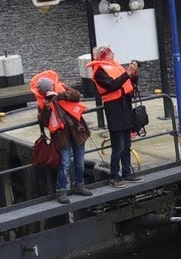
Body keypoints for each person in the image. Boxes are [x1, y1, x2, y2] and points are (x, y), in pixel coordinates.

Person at [32, 71, 92, 204]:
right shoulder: (42, 103)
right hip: (61, 136)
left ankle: (79, 184)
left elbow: (77, 95)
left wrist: (58, 95)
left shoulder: (62, 89)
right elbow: (43, 121)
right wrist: (47, 108)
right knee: (65, 163)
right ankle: (61, 190)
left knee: (80, 161)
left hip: (77, 131)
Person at [86, 44, 140, 187]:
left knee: (127, 144)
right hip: (114, 108)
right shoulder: (99, 72)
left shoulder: (115, 66)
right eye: (110, 53)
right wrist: (127, 73)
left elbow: (129, 83)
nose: (113, 55)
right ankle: (115, 176)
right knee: (118, 146)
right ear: (104, 56)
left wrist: (134, 74)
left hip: (125, 106)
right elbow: (112, 85)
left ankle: (127, 173)